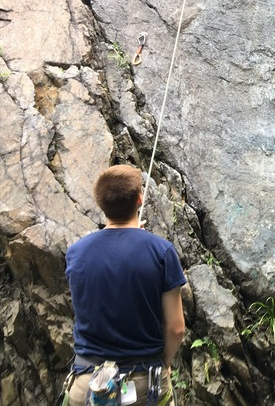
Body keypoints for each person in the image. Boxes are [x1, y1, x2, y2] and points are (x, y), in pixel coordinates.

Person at [65, 164, 186, 406]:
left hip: (87, 384)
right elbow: (176, 328)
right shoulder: (161, 252)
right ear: (139, 199)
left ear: (101, 205)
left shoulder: (76, 253)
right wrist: (166, 363)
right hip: (142, 385)